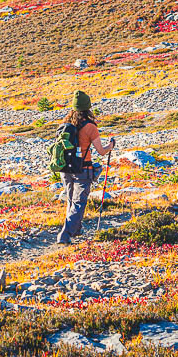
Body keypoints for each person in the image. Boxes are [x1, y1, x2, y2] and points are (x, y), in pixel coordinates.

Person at [56, 90, 114, 244]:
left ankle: (76, 229)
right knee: (79, 203)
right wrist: (111, 145)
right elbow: (101, 151)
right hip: (83, 169)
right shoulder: (90, 127)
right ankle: (65, 234)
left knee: (71, 200)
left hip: (66, 170)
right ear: (88, 107)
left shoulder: (65, 124)